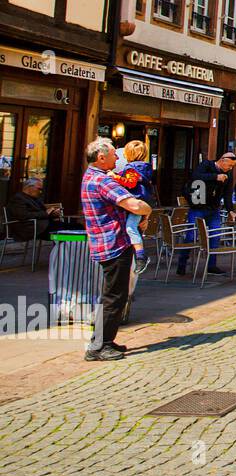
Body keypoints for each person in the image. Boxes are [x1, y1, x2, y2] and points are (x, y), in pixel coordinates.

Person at [80, 138, 152, 361]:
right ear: (101, 158)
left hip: (106, 241)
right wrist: (147, 210)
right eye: (113, 154)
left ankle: (104, 341)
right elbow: (134, 204)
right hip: (113, 242)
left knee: (114, 294)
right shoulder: (102, 181)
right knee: (114, 296)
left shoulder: (90, 177)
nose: (117, 157)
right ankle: (99, 346)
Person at [176, 151, 236, 277]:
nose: (230, 169)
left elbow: (227, 194)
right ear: (222, 160)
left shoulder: (228, 175)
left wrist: (230, 210)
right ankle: (182, 263)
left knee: (215, 236)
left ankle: (211, 265)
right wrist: (215, 177)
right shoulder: (206, 165)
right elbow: (196, 176)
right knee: (191, 235)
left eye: (232, 167)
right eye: (229, 165)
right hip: (198, 206)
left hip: (213, 208)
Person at [115, 140, 156, 274]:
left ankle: (140, 255)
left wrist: (114, 177)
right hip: (145, 201)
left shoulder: (132, 168)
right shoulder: (144, 167)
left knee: (130, 227)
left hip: (136, 201)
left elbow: (130, 183)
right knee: (136, 227)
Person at [4, 178, 75, 241]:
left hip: (44, 227)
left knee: (77, 228)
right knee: (69, 235)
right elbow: (23, 215)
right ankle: (64, 253)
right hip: (33, 231)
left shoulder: (36, 199)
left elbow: (43, 213)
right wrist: (46, 213)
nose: (40, 192)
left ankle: (70, 252)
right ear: (29, 187)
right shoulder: (18, 199)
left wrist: (52, 214)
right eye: (39, 189)